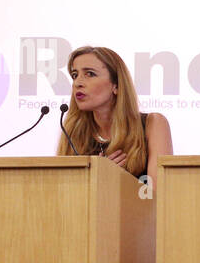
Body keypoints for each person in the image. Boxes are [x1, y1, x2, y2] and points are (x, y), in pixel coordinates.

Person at [58, 45, 173, 182]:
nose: (78, 83)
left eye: (90, 74)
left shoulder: (152, 124)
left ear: (116, 85)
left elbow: (158, 194)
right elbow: (64, 194)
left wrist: (112, 179)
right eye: (75, 75)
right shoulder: (73, 131)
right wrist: (98, 179)